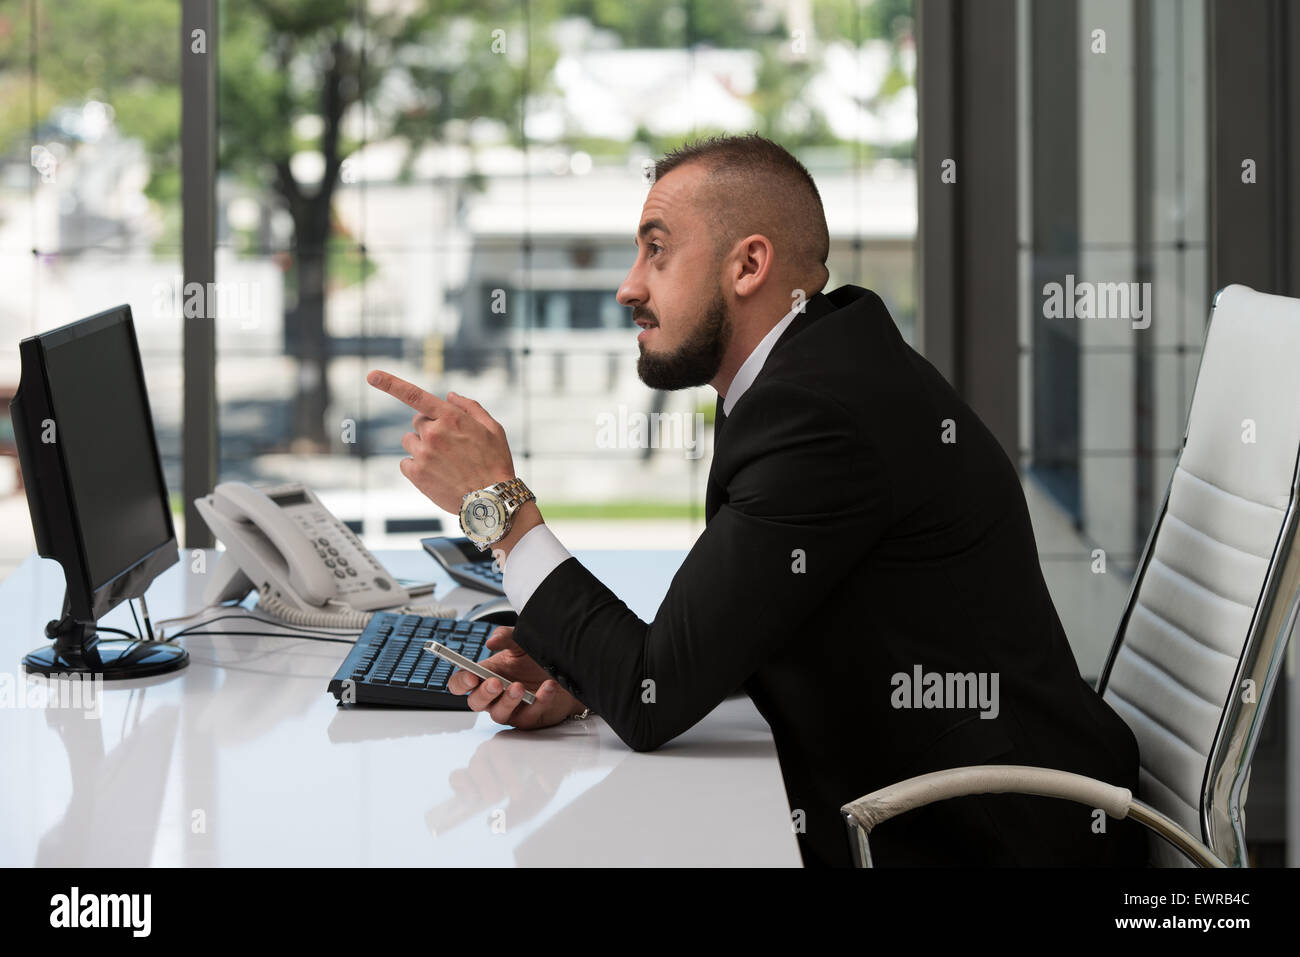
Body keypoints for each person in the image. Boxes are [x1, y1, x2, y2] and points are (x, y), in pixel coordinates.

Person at [367, 133, 1146, 868]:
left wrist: (497, 507)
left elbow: (652, 698)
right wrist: (584, 674)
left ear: (748, 266)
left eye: (657, 249)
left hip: (988, 839)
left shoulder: (820, 413)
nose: (628, 286)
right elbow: (717, 640)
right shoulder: (811, 373)